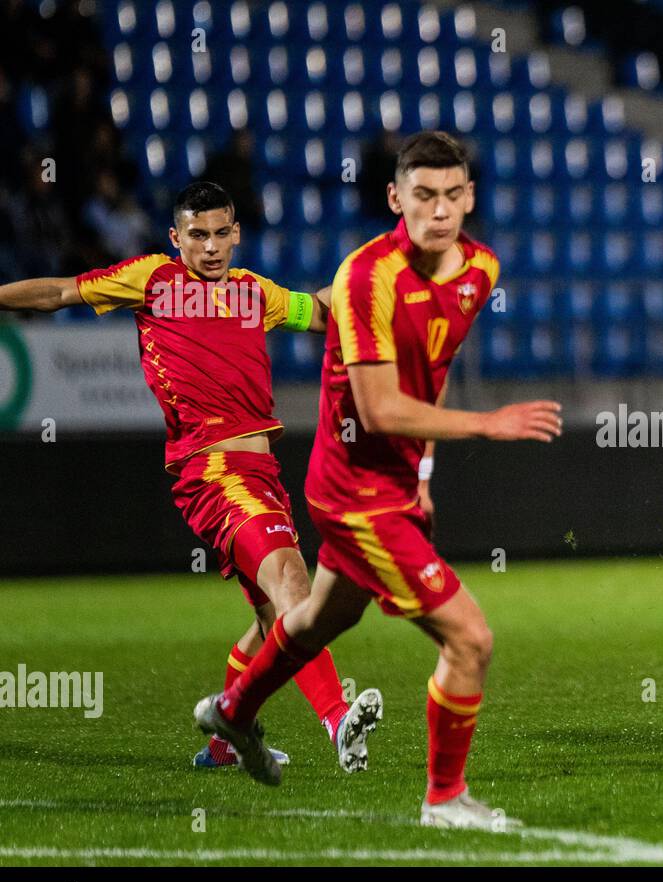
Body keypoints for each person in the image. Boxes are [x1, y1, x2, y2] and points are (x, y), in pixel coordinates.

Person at [195, 132, 563, 831]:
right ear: (396, 198)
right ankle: (445, 800)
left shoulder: (480, 268)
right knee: (470, 639)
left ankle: (233, 710)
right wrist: (487, 426)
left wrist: (423, 465)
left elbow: (433, 369)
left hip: (393, 479)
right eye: (424, 195)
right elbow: (381, 408)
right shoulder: (366, 277)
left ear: (471, 198)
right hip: (352, 489)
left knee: (319, 618)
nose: (440, 210)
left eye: (454, 195)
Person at [0, 180, 382, 772]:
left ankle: (225, 744)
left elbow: (325, 311)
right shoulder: (154, 279)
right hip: (213, 467)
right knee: (293, 585)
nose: (210, 247)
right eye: (197, 235)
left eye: (221, 233)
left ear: (236, 233)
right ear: (176, 238)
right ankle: (339, 722)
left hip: (262, 470)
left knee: (269, 618)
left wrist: (384, 268)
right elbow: (59, 291)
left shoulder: (257, 293)